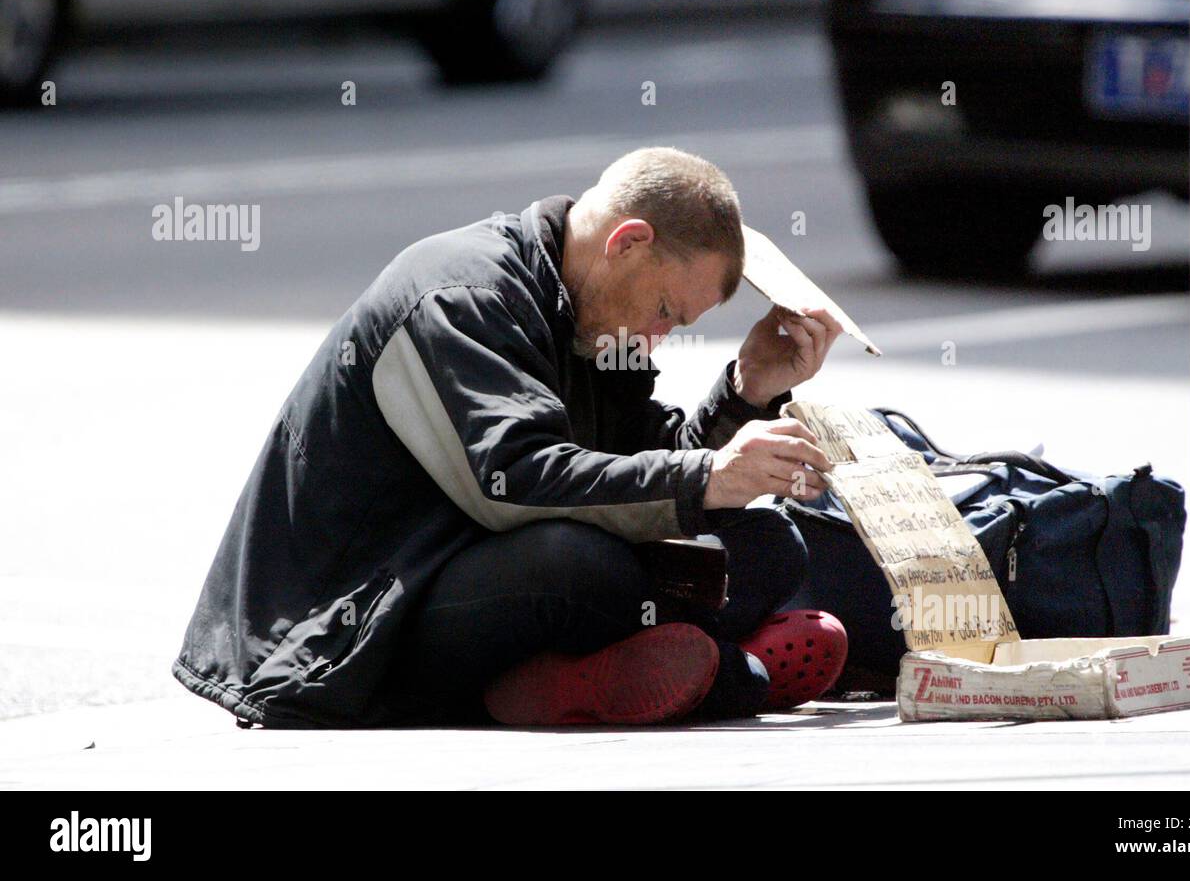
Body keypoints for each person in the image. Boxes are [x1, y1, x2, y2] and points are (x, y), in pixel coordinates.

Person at [172, 146, 848, 729]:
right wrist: (707, 476)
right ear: (627, 242)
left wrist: (747, 390)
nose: (658, 335)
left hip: (485, 577)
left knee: (770, 545)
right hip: (353, 631)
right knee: (576, 564)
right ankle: (734, 669)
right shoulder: (462, 292)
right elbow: (515, 483)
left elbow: (643, 462)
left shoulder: (599, 314)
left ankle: (576, 680)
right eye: (666, 310)